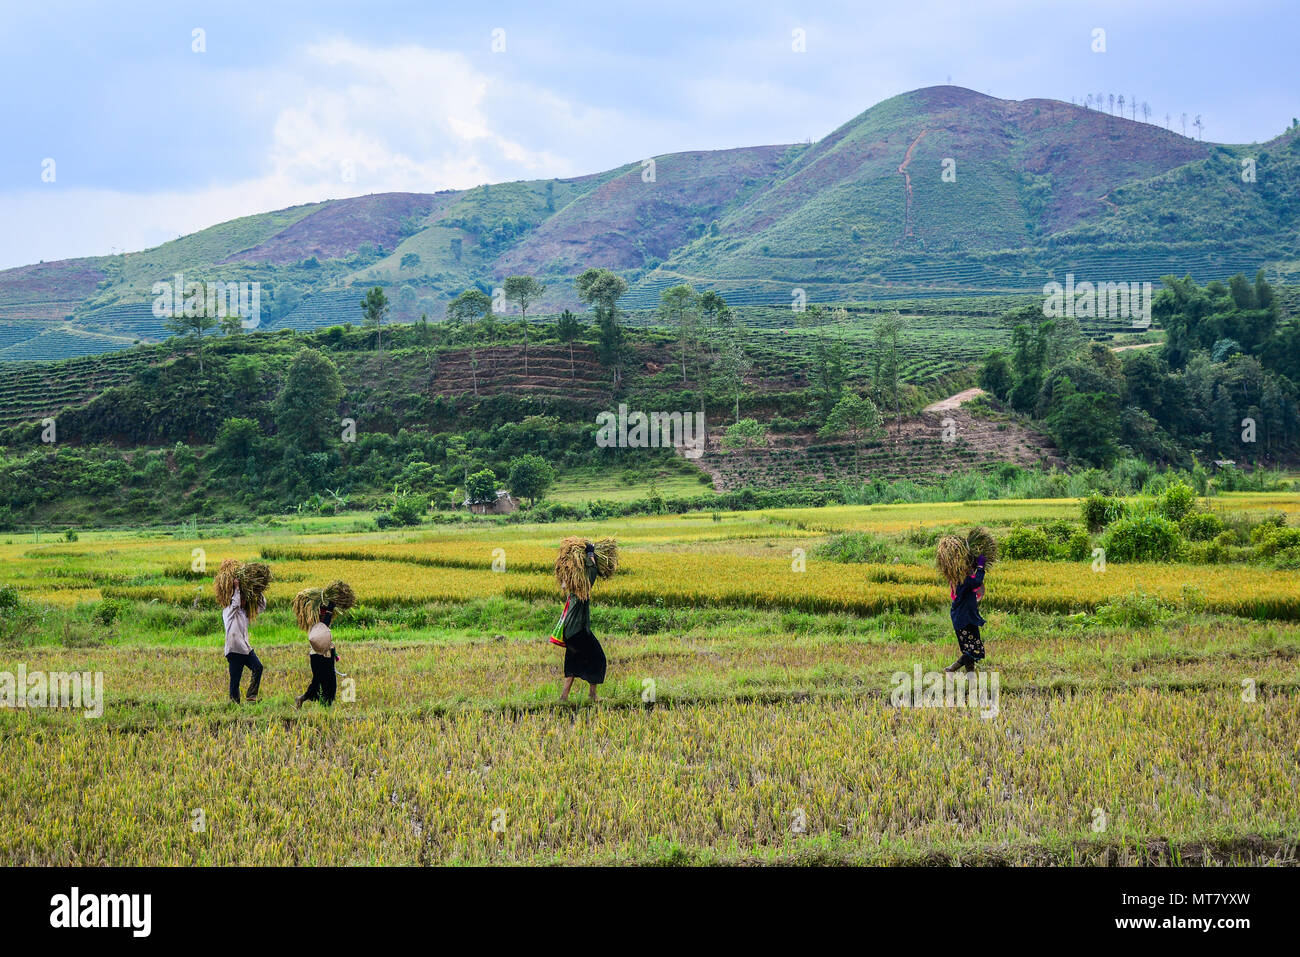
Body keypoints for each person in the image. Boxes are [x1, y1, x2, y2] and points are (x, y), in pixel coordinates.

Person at [559, 542, 606, 702]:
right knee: (598, 658)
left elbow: (564, 581)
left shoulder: (571, 590)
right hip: (579, 631)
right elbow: (592, 572)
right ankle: (592, 695)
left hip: (569, 632)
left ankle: (564, 697)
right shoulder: (580, 591)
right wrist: (591, 554)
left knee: (573, 661)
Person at [945, 553, 987, 674]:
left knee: (969, 648)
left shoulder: (957, 579)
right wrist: (980, 567)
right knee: (975, 649)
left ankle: (970, 674)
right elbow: (977, 581)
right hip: (964, 619)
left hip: (964, 618)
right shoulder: (964, 580)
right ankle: (952, 668)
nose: (970, 569)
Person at [224, 584, 266, 704]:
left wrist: (259, 591)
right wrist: (237, 587)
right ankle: (234, 704)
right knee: (235, 680)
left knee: (258, 667)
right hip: (234, 649)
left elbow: (262, 606)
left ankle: (251, 695)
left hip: (245, 648)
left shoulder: (244, 613)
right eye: (242, 599)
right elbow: (235, 604)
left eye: (244, 599)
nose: (243, 602)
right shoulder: (228, 611)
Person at [296, 603, 340, 708]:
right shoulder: (314, 624)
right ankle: (302, 698)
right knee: (318, 682)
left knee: (329, 682)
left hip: (327, 655)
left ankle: (324, 706)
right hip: (318, 656)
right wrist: (329, 612)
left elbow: (327, 639)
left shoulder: (322, 624)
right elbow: (323, 627)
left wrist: (335, 654)